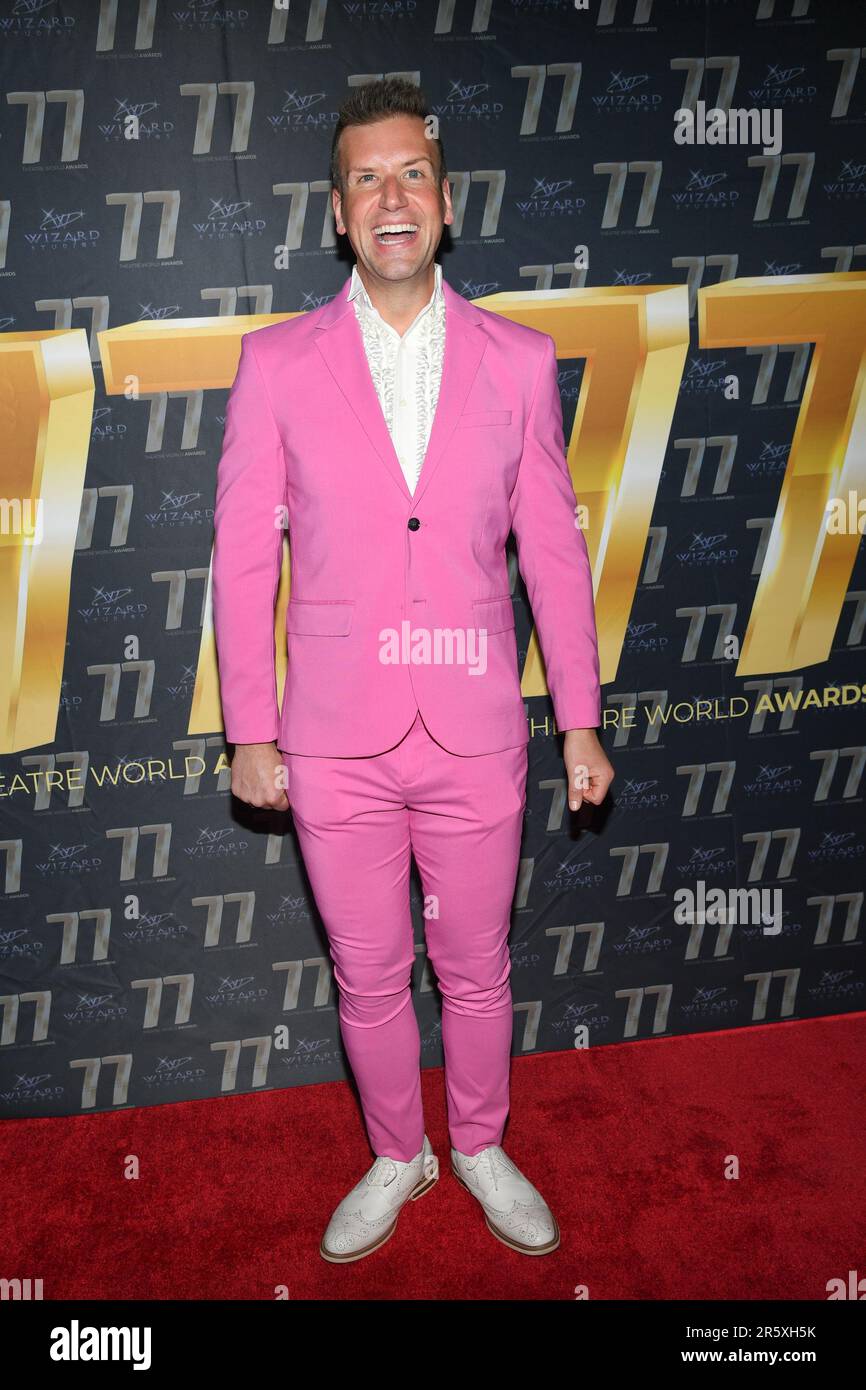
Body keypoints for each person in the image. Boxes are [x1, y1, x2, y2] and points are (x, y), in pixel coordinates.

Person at [212, 77, 615, 1264]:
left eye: (412, 174)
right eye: (366, 179)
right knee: (369, 971)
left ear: (446, 201)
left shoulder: (519, 359)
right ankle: (399, 1151)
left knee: (477, 963)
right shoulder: (275, 363)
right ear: (337, 211)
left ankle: (479, 1142)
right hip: (332, 737)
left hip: (478, 729)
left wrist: (579, 720)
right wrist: (250, 727)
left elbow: (551, 548)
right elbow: (240, 560)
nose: (392, 197)